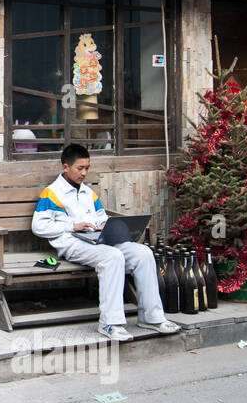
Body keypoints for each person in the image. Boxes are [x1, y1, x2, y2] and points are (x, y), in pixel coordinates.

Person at [31, 143, 179, 342]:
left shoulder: (88, 193)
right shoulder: (51, 193)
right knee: (112, 257)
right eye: (79, 168)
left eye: (87, 168)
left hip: (98, 240)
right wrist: (73, 226)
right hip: (72, 243)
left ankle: (151, 317)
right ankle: (110, 323)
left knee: (143, 253)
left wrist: (104, 224)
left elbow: (101, 215)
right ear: (65, 167)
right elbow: (38, 227)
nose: (84, 173)